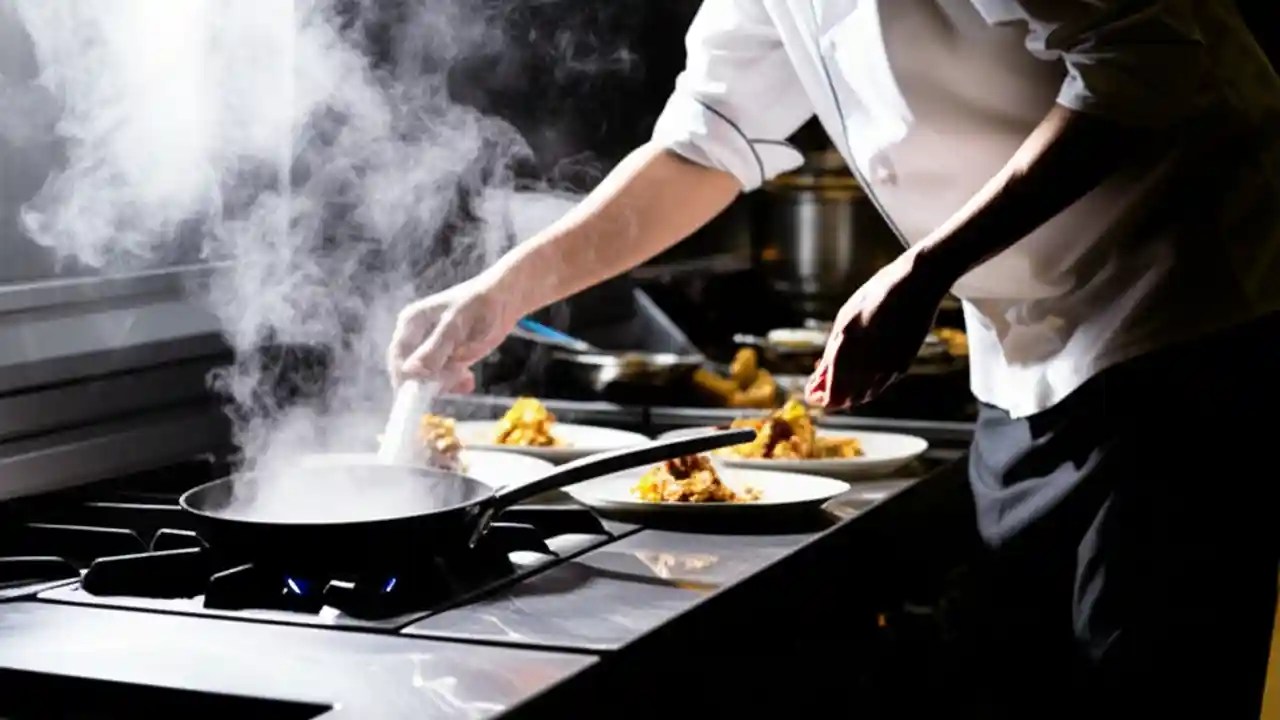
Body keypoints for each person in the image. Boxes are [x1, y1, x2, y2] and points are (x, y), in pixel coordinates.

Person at [389, 2, 1280, 716]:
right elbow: (703, 144)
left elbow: (1148, 55)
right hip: (1022, 357)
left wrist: (925, 270)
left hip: (1185, 329)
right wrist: (500, 293)